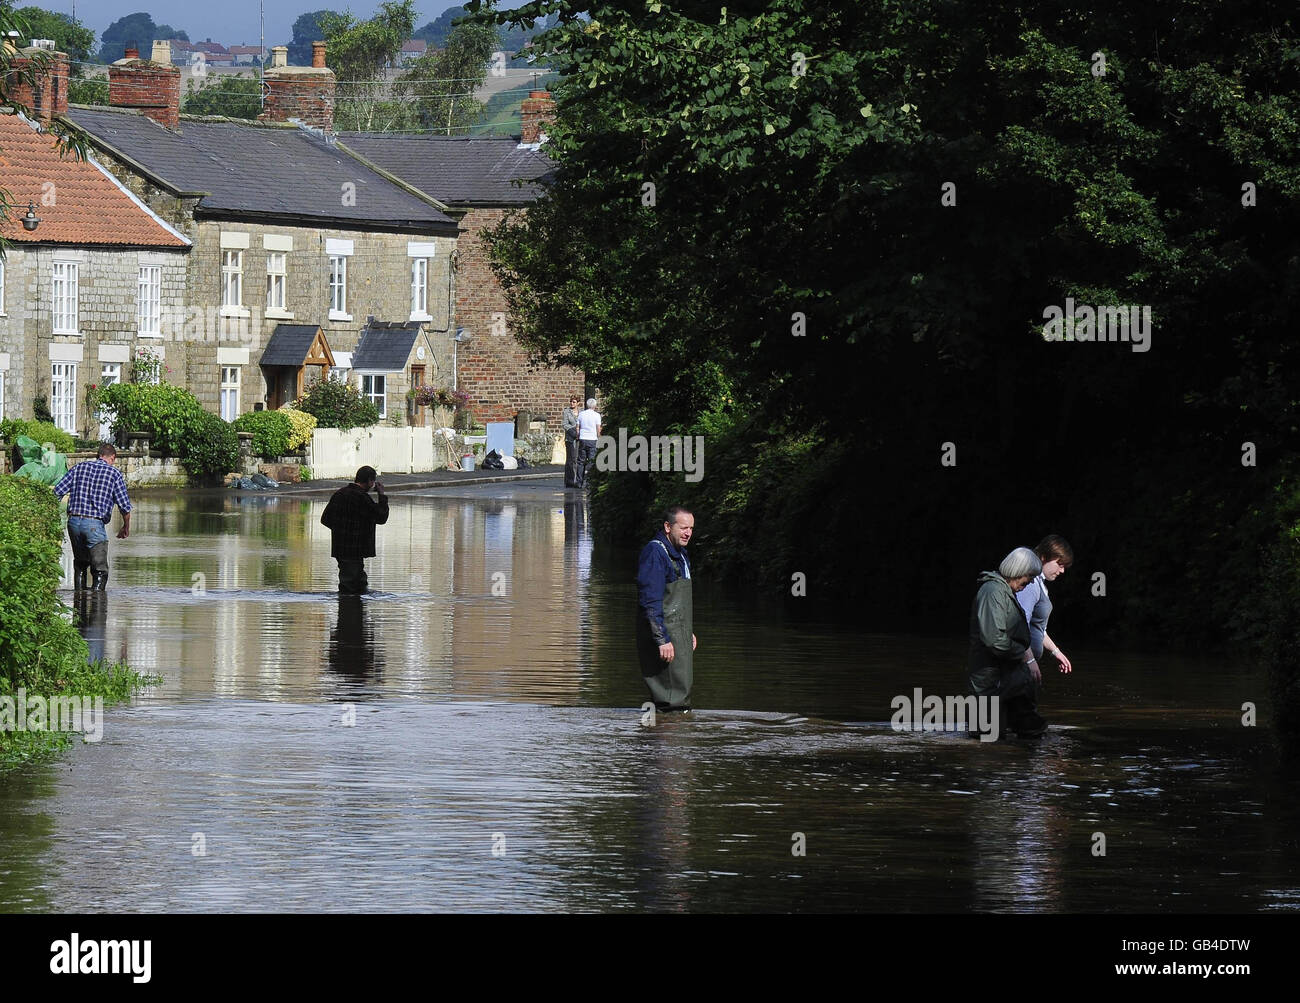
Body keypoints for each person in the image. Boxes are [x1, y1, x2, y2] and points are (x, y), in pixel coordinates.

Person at [969, 547, 1045, 737]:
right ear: (1017, 570)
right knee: (987, 740)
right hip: (989, 683)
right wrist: (1024, 655)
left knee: (1022, 734)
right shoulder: (992, 592)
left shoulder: (1005, 591)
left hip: (1004, 680)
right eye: (1029, 576)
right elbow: (994, 640)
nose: (1030, 582)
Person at [636, 505, 698, 711]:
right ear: (668, 527)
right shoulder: (655, 552)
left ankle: (672, 736)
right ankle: (662, 739)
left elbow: (679, 604)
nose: (688, 532)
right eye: (683, 528)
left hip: (678, 636)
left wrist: (687, 632)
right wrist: (662, 640)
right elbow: (650, 601)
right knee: (669, 701)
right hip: (664, 639)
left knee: (681, 697)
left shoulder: (681, 554)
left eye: (691, 528)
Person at [53, 443, 132, 591]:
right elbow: (125, 507)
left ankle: (79, 607)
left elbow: (57, 492)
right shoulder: (114, 474)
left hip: (74, 522)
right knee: (100, 570)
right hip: (94, 525)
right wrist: (125, 527)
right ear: (112, 457)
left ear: (98, 455)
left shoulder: (78, 468)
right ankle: (97, 607)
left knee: (81, 565)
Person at [320, 465, 389, 594]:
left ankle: (354, 610)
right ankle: (350, 609)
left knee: (357, 580)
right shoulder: (362, 498)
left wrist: (340, 531)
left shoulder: (339, 494)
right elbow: (381, 517)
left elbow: (325, 519)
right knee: (351, 584)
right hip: (356, 548)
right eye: (373, 482)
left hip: (340, 547)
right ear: (369, 481)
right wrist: (381, 495)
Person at [1017, 534, 1075, 675]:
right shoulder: (1030, 585)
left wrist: (1056, 652)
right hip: (1019, 664)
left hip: (1025, 665)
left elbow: (1038, 629)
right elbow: (1019, 626)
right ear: (1044, 557)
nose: (1062, 571)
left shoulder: (1039, 584)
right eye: (1059, 565)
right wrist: (1030, 661)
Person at [574, 397, 602, 488]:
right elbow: (598, 429)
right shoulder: (597, 415)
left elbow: (577, 427)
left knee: (581, 462)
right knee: (591, 462)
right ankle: (590, 483)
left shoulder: (581, 414)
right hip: (592, 440)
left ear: (587, 405)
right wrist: (599, 438)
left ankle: (579, 482)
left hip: (583, 439)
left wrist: (578, 436)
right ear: (595, 406)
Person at [562, 395, 581, 488]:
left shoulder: (581, 412)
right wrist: (573, 431)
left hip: (579, 438)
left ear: (578, 403)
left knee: (577, 459)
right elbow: (565, 424)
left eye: (574, 402)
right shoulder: (566, 412)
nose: (572, 403)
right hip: (570, 438)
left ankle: (576, 480)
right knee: (570, 459)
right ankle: (569, 481)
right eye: (571, 401)